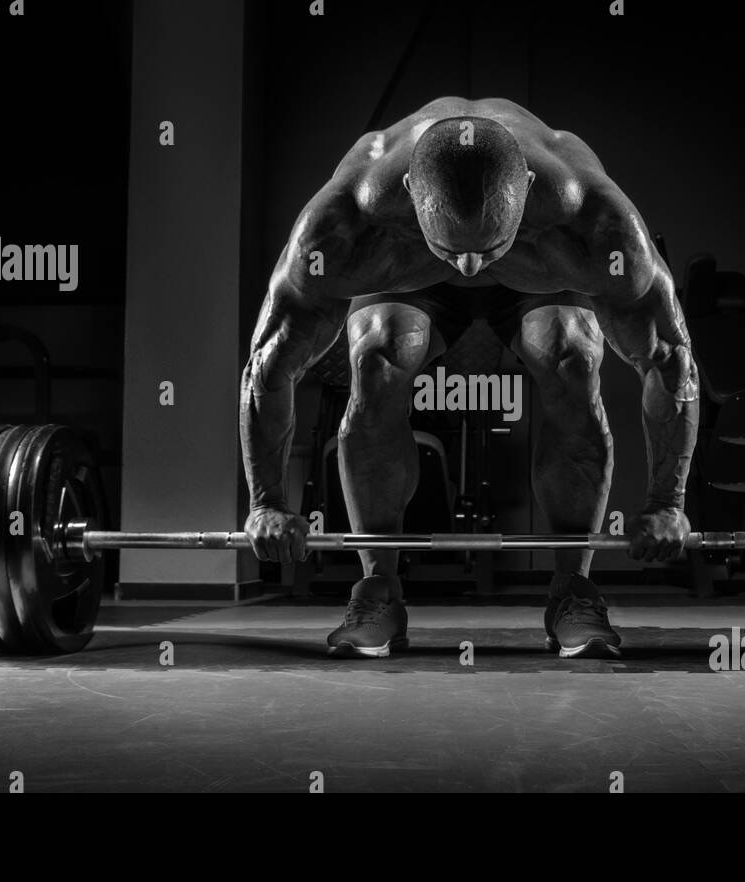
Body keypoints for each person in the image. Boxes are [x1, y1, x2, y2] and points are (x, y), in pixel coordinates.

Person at [240, 97, 698, 659]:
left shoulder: (590, 215)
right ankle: (378, 589)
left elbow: (670, 358)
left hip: (540, 265)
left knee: (573, 355)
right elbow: (269, 364)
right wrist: (266, 502)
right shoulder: (349, 217)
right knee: (376, 356)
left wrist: (666, 502)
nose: (471, 268)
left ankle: (574, 591)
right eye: (455, 251)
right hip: (409, 270)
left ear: (529, 185)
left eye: (488, 249)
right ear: (409, 189)